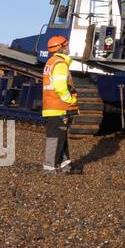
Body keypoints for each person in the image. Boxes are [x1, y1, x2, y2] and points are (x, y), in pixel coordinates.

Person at [41, 34, 77, 174]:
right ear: (62, 48)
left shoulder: (51, 62)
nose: (68, 47)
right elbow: (60, 86)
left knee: (60, 138)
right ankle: (50, 168)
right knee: (56, 138)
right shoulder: (60, 64)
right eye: (66, 45)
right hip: (59, 107)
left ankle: (64, 167)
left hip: (53, 107)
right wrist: (70, 100)